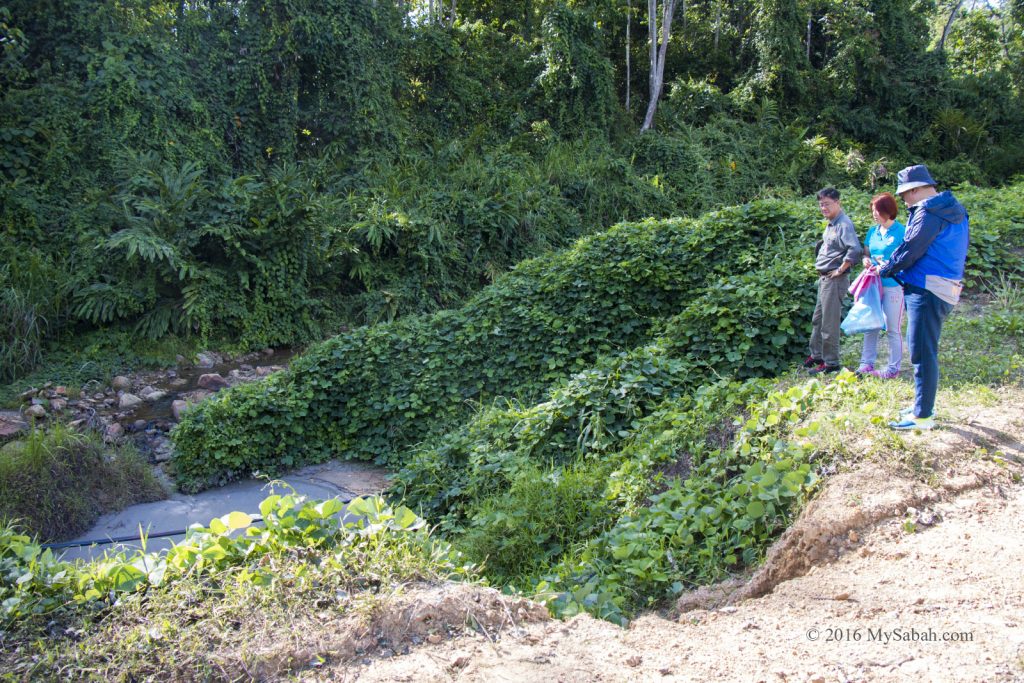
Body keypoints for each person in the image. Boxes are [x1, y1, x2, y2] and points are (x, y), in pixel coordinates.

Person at [876, 164, 969, 430]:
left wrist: (886, 268)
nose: (903, 202)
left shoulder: (927, 212)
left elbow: (910, 249)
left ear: (915, 190)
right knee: (926, 348)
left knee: (921, 351)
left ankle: (922, 416)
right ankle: (922, 404)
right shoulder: (955, 209)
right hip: (946, 286)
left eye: (905, 195)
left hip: (926, 289)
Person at [804, 187, 862, 374]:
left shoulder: (844, 224)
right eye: (821, 204)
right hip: (824, 279)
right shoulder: (831, 223)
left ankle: (831, 363)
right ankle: (817, 355)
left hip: (834, 279)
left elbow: (854, 250)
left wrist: (840, 269)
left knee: (829, 323)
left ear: (838, 202)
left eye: (827, 204)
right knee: (818, 320)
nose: (823, 208)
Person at [856, 193, 906, 378]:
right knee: (871, 325)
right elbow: (866, 253)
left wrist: (886, 268)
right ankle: (866, 364)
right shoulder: (873, 231)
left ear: (888, 210)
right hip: (873, 285)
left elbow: (905, 259)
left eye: (877, 210)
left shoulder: (902, 232)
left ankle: (893, 368)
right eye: (872, 210)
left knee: (893, 327)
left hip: (893, 284)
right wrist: (866, 260)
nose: (874, 214)